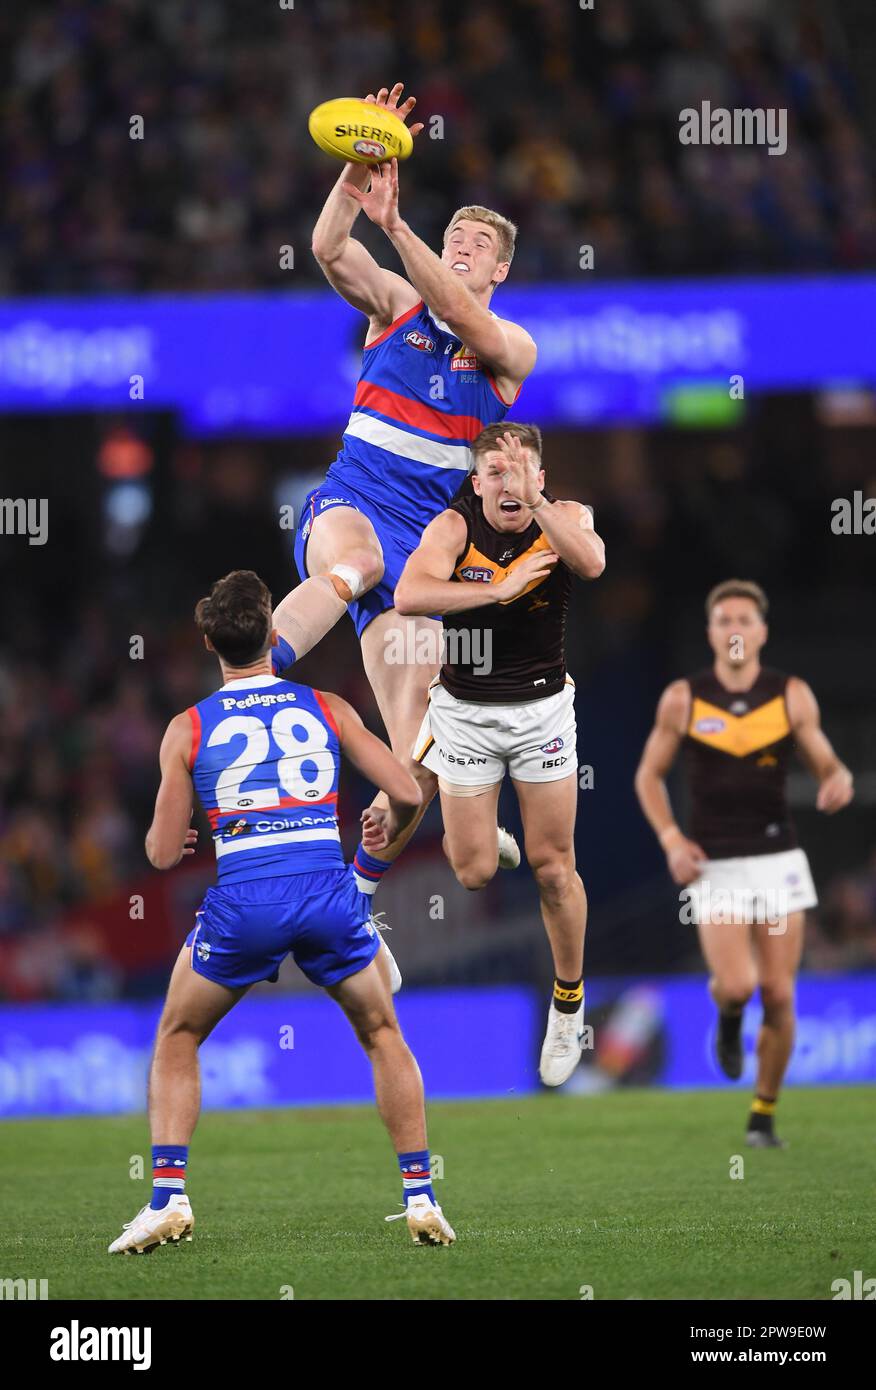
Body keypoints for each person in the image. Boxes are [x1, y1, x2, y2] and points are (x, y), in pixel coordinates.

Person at [108, 570, 455, 1253]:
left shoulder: (187, 728)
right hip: (328, 896)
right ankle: (421, 1196)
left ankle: (168, 1199)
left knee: (178, 1036)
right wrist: (374, 837)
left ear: (211, 643)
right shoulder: (327, 707)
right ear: (274, 636)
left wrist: (178, 834)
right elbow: (407, 788)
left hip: (244, 905)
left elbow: (157, 855)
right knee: (383, 1032)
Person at [271, 82, 537, 900]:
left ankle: (357, 903)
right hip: (354, 505)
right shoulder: (395, 304)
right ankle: (247, 683)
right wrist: (357, 175)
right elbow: (325, 248)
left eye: (475, 241)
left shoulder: (510, 347)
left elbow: (460, 310)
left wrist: (399, 225)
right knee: (347, 567)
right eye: (452, 230)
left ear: (499, 267)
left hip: (421, 561)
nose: (459, 244)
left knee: (415, 761)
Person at [393, 424, 605, 1086]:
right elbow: (409, 595)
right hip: (465, 714)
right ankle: (491, 838)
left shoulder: (564, 516)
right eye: (495, 474)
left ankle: (568, 1004)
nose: (508, 485)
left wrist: (539, 508)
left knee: (553, 869)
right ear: (477, 482)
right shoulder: (455, 529)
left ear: (539, 480)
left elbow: (593, 563)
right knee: (475, 871)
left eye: (521, 474)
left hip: (542, 710)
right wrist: (499, 588)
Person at [634, 579, 854, 1146]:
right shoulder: (684, 698)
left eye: (744, 620)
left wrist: (837, 778)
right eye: (724, 620)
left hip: (777, 860)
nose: (734, 629)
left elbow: (827, 762)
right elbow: (648, 776)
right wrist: (671, 840)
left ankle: (763, 1115)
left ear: (762, 631)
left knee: (779, 993)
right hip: (716, 865)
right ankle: (730, 1023)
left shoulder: (790, 695)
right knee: (736, 984)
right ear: (711, 632)